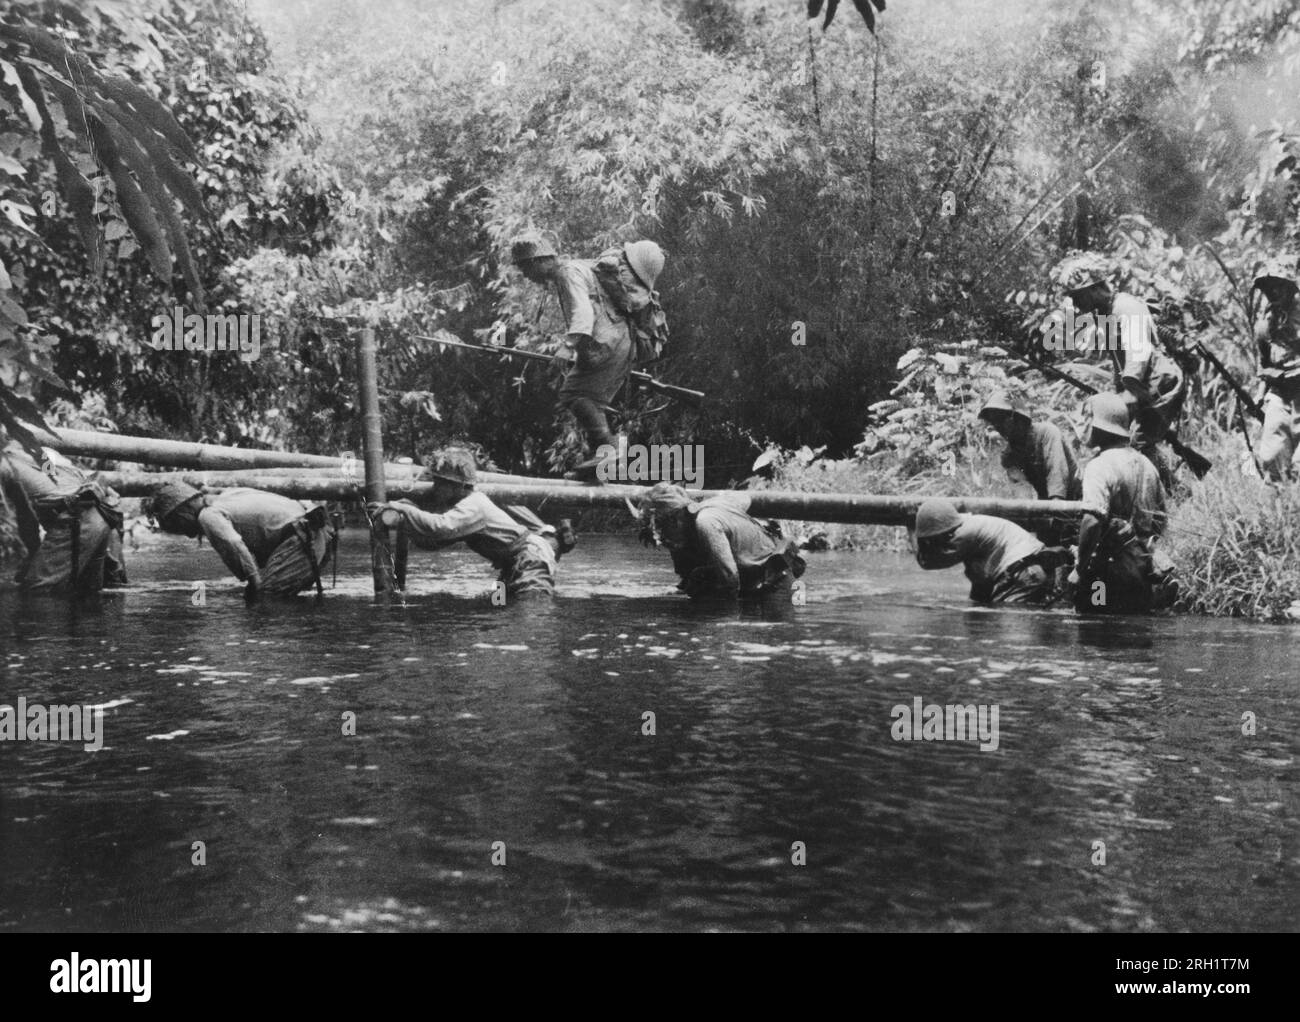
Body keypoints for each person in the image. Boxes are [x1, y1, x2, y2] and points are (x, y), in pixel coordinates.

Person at [511, 233, 666, 480]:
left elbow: (583, 313)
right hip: (618, 341)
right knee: (589, 399)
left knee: (574, 394)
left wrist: (568, 346)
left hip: (607, 342)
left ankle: (611, 450)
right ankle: (601, 463)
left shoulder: (566, 273)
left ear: (538, 261)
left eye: (524, 267)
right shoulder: (579, 266)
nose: (525, 275)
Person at [1055, 252, 1187, 489]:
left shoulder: (1126, 307)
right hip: (1142, 383)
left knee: (1133, 445)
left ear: (1093, 289)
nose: (1075, 304)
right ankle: (1176, 490)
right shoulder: (1106, 313)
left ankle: (1165, 494)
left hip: (1157, 381)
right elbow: (1118, 360)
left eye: (1077, 297)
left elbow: (1138, 355)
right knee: (1136, 442)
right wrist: (1119, 394)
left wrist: (1128, 395)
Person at [373, 448, 568, 597]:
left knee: (532, 608)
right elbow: (433, 542)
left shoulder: (473, 506)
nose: (435, 488)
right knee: (497, 604)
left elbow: (440, 528)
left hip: (528, 561)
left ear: (457, 486)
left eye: (440, 483)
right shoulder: (465, 506)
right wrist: (406, 516)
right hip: (511, 565)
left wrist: (405, 509)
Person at [147, 480, 334, 599]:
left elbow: (234, 545)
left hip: (302, 540)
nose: (185, 533)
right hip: (319, 532)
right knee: (278, 598)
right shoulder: (229, 496)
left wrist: (255, 583)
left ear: (184, 511)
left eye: (178, 526)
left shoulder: (208, 516)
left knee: (265, 599)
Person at [1073, 393, 1172, 615]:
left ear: (1099, 425)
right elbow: (1160, 522)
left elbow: (1092, 520)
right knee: (1133, 635)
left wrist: (1080, 569)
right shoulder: (1147, 465)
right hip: (1141, 573)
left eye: (1088, 418)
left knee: (1096, 630)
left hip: (1104, 575)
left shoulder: (1099, 466)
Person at [0, 435, 128, 595]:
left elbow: (26, 517)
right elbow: (59, 486)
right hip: (106, 513)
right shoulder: (39, 451)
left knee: (36, 590)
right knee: (97, 594)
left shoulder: (5, 464)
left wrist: (33, 556)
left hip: (79, 519)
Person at [638, 482, 804, 601]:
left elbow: (730, 581)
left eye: (663, 534)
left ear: (674, 520)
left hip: (778, 586)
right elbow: (745, 499)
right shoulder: (714, 505)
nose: (664, 542)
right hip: (782, 583)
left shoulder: (706, 522)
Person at [912, 498, 1066, 605]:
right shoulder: (972, 526)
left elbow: (927, 562)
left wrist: (912, 530)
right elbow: (981, 585)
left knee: (1011, 622)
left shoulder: (965, 534)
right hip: (1030, 571)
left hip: (1024, 573)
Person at [977, 391, 1081, 501]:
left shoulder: (1047, 433)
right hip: (1048, 505)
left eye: (1001, 419)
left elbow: (1057, 474)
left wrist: (1056, 506)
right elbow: (1022, 492)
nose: (998, 426)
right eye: (994, 422)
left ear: (1017, 418)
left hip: (1076, 500)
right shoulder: (1009, 457)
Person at [1252, 254, 1300, 480]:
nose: (1272, 292)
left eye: (1277, 286)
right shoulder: (1265, 323)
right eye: (1267, 287)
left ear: (1289, 287)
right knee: (1272, 456)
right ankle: (1282, 508)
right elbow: (1264, 363)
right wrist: (1259, 397)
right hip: (1280, 391)